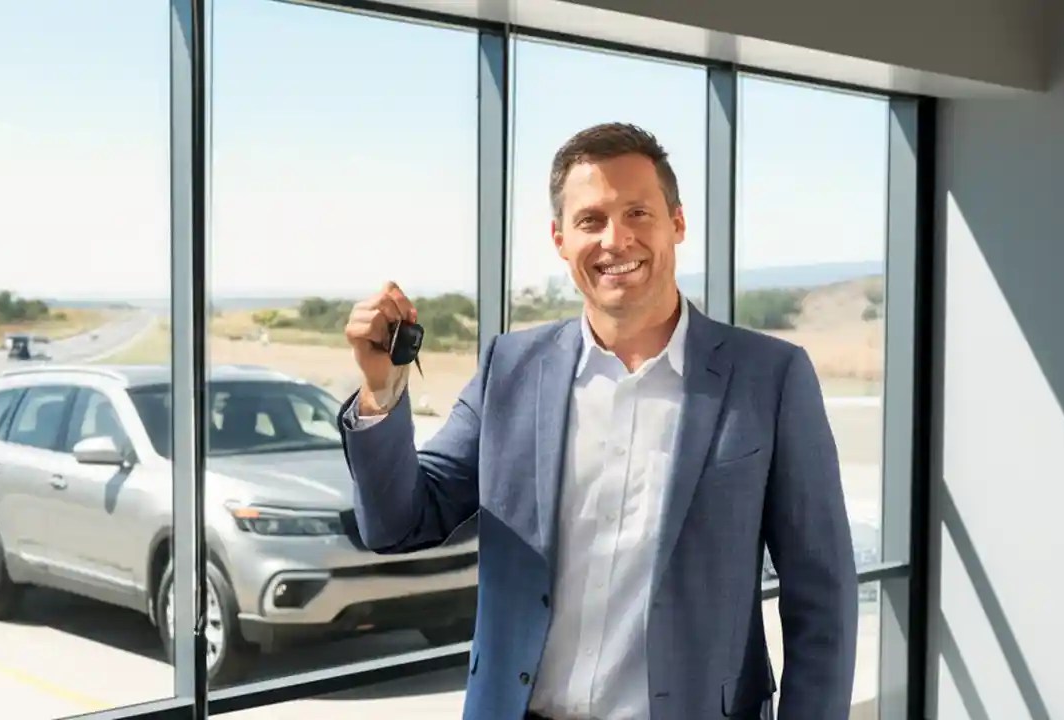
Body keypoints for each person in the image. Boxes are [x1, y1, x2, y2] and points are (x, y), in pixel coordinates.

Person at [338, 122, 858, 720]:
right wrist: (381, 390)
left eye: (638, 213)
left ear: (677, 223)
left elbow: (822, 599)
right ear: (560, 239)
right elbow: (399, 524)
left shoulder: (770, 377)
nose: (616, 240)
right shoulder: (510, 368)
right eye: (591, 220)